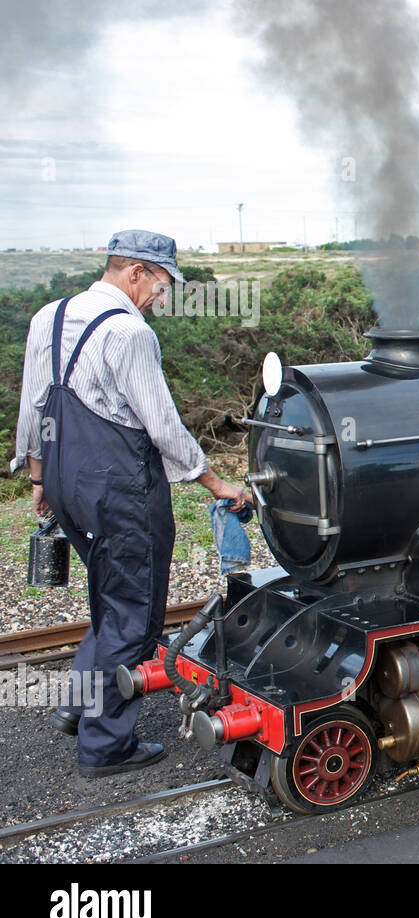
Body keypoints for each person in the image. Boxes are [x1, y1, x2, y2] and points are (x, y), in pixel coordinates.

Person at [14, 229, 253, 778]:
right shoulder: (129, 332)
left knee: (111, 597)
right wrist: (216, 483)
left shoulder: (49, 316)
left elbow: (33, 403)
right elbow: (162, 424)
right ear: (136, 271)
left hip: (63, 477)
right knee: (136, 615)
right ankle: (105, 746)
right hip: (118, 486)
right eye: (163, 284)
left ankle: (79, 705)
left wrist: (37, 477)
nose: (163, 299)